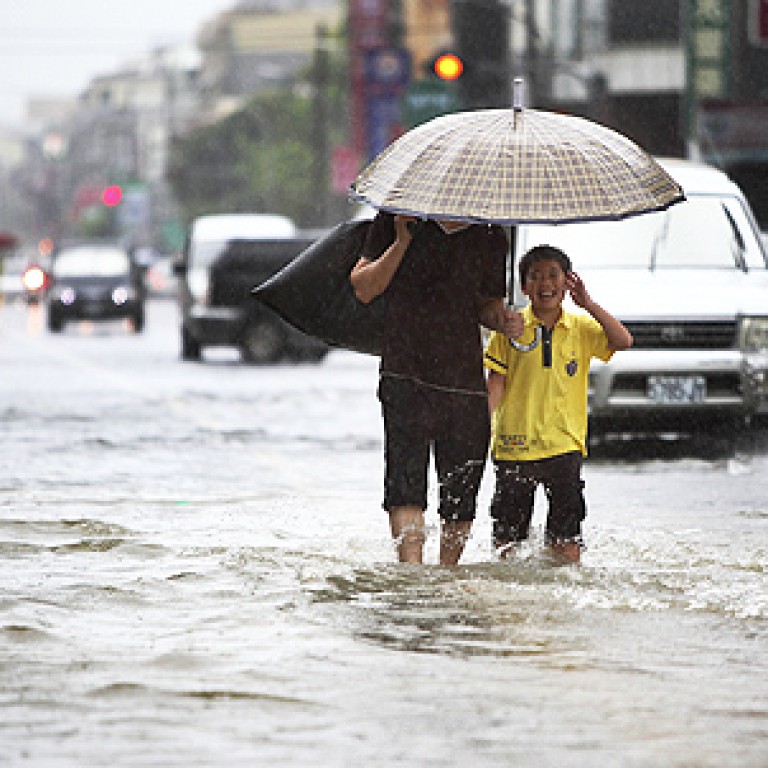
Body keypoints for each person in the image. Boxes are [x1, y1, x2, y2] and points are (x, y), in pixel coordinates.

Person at [350, 212, 523, 566]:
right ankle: (412, 573)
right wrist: (402, 241)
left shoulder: (491, 234)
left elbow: (486, 306)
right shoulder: (396, 219)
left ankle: (447, 575)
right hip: (405, 370)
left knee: (462, 481)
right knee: (406, 477)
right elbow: (364, 287)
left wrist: (502, 320)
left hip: (463, 375)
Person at [484, 244, 633, 564]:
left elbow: (623, 340)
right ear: (524, 287)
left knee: (566, 541)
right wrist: (480, 427)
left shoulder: (580, 328)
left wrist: (588, 303)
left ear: (568, 282)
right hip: (514, 446)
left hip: (564, 446)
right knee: (507, 541)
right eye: (535, 277)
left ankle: (560, 600)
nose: (545, 284)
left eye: (554, 275)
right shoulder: (509, 329)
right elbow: (496, 382)